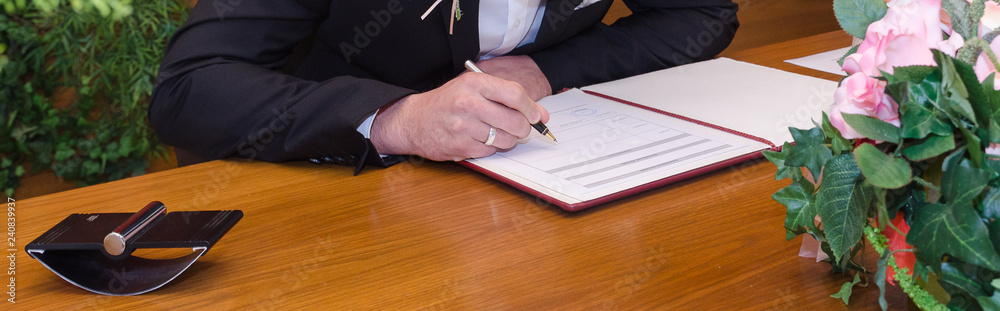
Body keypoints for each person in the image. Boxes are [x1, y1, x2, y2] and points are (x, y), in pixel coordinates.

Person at [149, 0, 739, 175]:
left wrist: (549, 70)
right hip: (323, 188)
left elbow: (702, 13)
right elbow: (188, 86)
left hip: (523, 187)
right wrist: (395, 121)